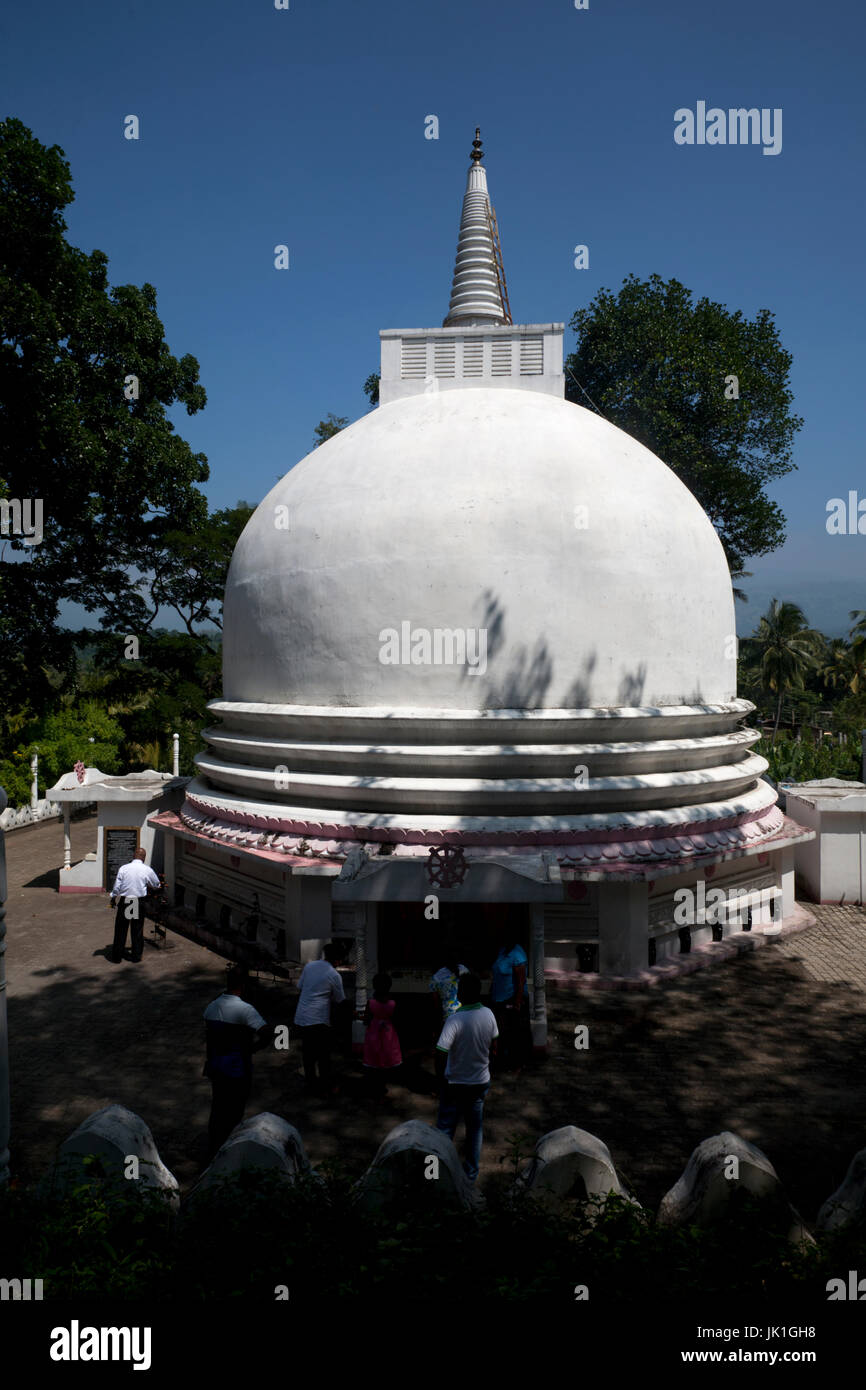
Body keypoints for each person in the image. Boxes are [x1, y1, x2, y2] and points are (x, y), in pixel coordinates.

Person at [203, 966, 275, 1158]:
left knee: (218, 1109)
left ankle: (214, 1149)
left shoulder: (211, 1007)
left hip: (216, 1067)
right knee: (235, 1112)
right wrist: (253, 1048)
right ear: (243, 986)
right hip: (237, 1069)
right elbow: (267, 1032)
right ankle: (231, 1151)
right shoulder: (245, 1010)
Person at [434, 973, 498, 1184]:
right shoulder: (488, 1014)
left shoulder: (455, 1020)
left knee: (445, 1129)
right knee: (474, 1129)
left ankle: (438, 1172)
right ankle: (471, 1174)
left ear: (463, 993)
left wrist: (441, 1078)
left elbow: (441, 1052)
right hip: (479, 1081)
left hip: (455, 1083)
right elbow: (494, 1046)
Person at [293, 942, 346, 1094]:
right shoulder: (334, 975)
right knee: (323, 1055)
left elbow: (300, 987)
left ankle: (310, 1083)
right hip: (319, 1019)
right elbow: (340, 999)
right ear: (337, 960)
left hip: (302, 1016)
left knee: (308, 1054)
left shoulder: (310, 966)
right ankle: (325, 1086)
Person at [108, 848, 160, 963]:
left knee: (121, 929)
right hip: (137, 901)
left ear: (133, 856)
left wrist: (113, 897)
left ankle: (117, 957)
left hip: (126, 900)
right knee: (136, 929)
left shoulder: (124, 868)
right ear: (144, 858)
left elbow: (117, 887)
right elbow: (156, 884)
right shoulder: (147, 870)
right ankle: (136, 956)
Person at [489, 934, 531, 1071]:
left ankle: (517, 1063)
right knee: (500, 1032)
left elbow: (521, 981)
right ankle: (503, 1061)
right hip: (498, 998)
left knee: (515, 1032)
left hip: (512, 998)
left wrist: (517, 1002)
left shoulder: (517, 954)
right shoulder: (502, 951)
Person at [362, 972, 402, 1098]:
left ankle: (375, 1086)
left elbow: (366, 1020)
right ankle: (382, 1085)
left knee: (374, 1059)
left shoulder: (371, 1003)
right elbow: (396, 1020)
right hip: (388, 1034)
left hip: (373, 1034)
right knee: (385, 1059)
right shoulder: (392, 1004)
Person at [429, 956, 470, 1026]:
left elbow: (435, 998)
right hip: (465, 1012)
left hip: (447, 1014)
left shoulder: (436, 976)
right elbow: (470, 987)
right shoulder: (464, 969)